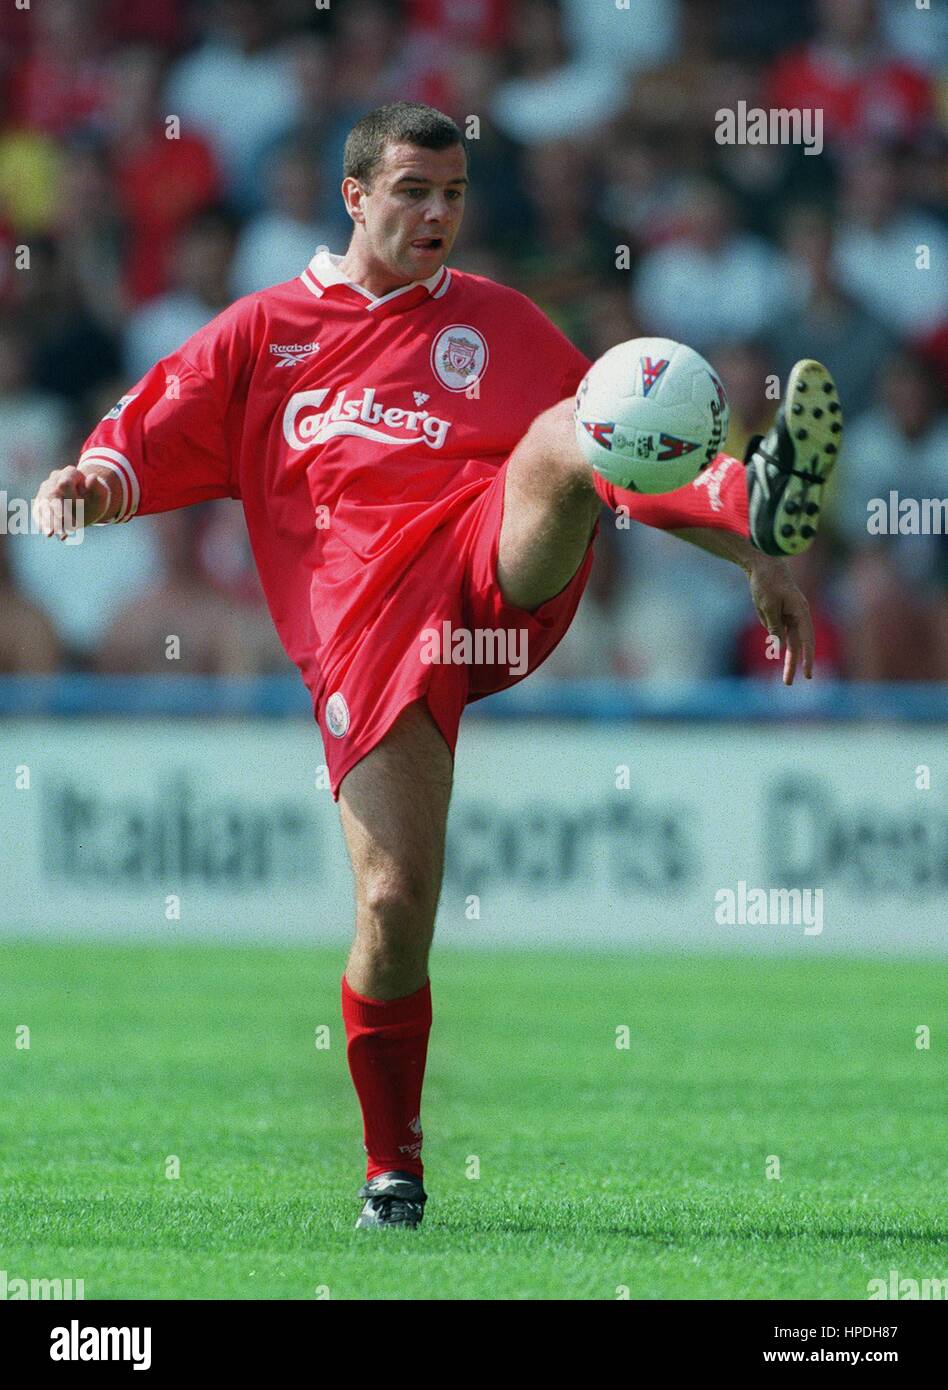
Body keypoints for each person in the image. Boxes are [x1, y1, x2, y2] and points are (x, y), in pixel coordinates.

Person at [32, 102, 842, 1230]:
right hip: (367, 632)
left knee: (575, 420)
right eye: (414, 191)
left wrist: (750, 549)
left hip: (491, 566)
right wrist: (82, 485)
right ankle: (392, 1170)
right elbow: (137, 440)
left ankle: (752, 483)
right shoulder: (265, 334)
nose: (438, 214)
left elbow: (624, 448)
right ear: (356, 197)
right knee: (393, 901)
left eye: (454, 194)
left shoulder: (500, 323)